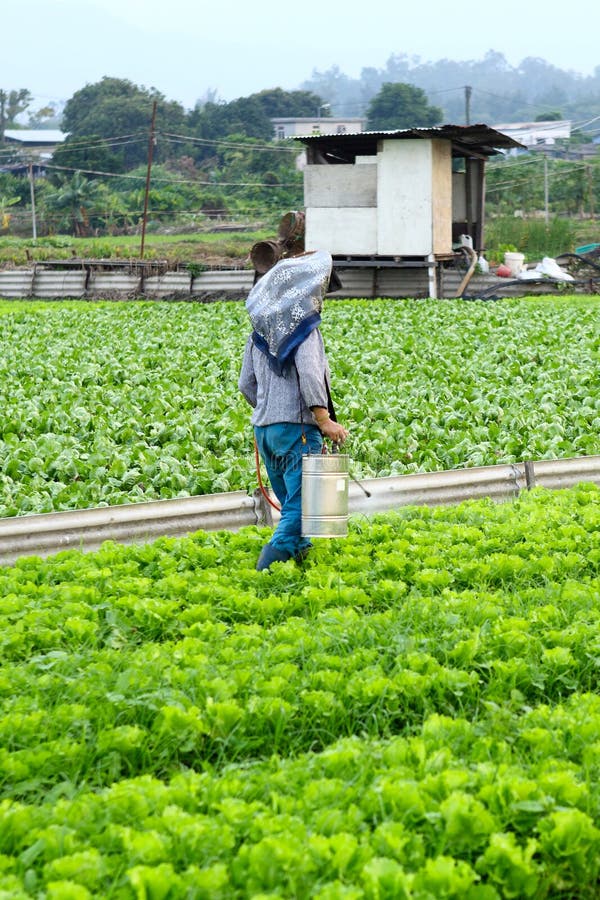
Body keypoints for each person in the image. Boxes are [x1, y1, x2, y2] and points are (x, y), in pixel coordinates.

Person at [238, 247, 348, 571]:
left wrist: (270, 411)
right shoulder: (304, 330)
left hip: (266, 432)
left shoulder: (260, 332)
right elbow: (311, 374)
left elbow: (246, 384)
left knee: (291, 504)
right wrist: (323, 419)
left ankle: (299, 571)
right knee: (303, 508)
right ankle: (266, 571)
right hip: (297, 431)